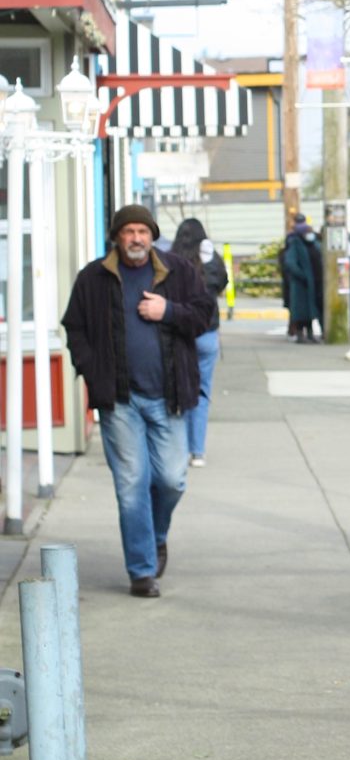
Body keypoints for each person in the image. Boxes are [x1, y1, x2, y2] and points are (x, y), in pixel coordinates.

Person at [62, 204, 215, 597]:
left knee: (171, 480)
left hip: (169, 396)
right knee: (132, 484)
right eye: (128, 231)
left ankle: (155, 535)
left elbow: (204, 315)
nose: (135, 238)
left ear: (152, 235)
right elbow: (74, 326)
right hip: (119, 400)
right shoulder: (93, 278)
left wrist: (168, 311)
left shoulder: (178, 271)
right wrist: (92, 371)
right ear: (116, 236)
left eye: (142, 232)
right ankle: (142, 570)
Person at [171, 217, 228, 467]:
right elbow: (222, 281)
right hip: (207, 332)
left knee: (180, 390)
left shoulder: (173, 260)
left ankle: (180, 448)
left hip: (182, 333)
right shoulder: (211, 259)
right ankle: (198, 451)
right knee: (202, 391)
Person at [281, 212, 324, 342]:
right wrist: (302, 275)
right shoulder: (294, 242)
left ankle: (310, 334)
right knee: (301, 310)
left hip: (313, 282)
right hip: (300, 284)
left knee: (311, 310)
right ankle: (300, 334)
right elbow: (290, 262)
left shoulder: (315, 243)